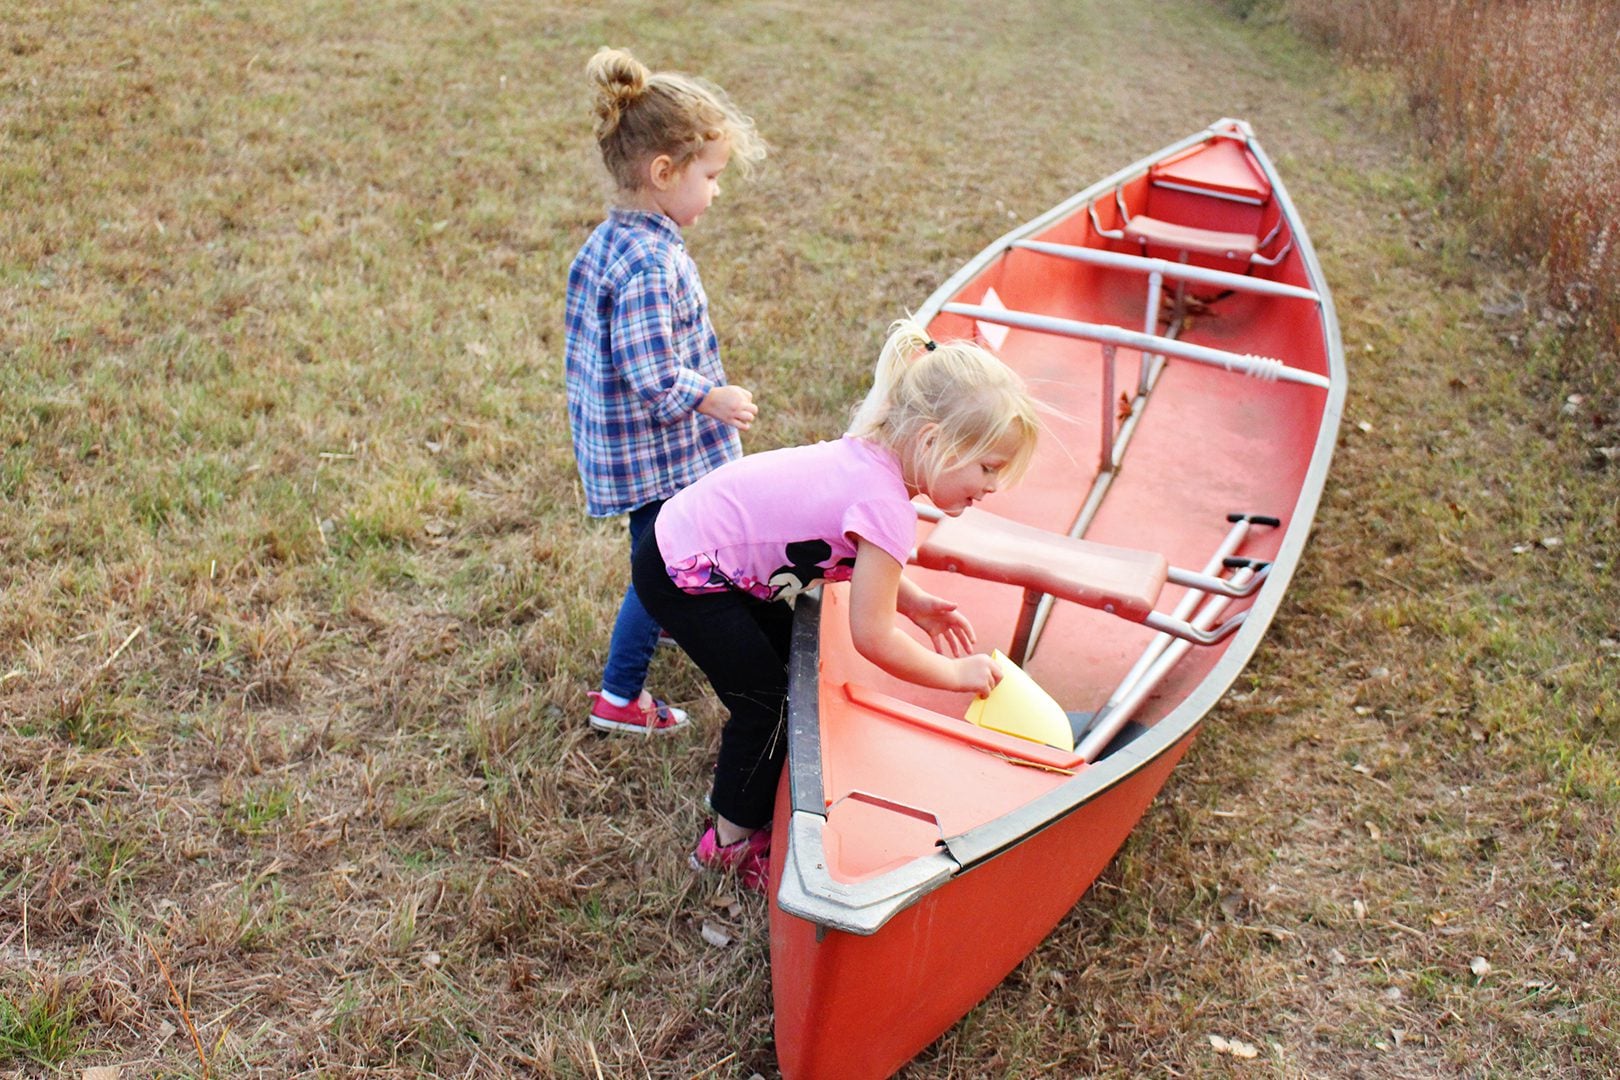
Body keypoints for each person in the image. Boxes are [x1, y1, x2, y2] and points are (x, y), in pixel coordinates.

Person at [632, 320, 1041, 889]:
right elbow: (871, 637)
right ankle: (727, 844)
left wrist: (915, 602)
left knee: (779, 674)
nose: (993, 485)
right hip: (685, 572)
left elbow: (858, 560)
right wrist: (954, 675)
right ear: (931, 441)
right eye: (987, 467)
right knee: (767, 704)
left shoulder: (874, 462)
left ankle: (750, 792)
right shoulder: (888, 506)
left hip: (692, 545)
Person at [564, 47, 767, 735]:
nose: (716, 191)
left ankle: (669, 617)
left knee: (660, 554)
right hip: (660, 452)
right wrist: (712, 397)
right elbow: (652, 373)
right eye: (710, 176)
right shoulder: (652, 261)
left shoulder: (615, 240)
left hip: (631, 444)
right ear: (663, 173)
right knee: (662, 561)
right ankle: (620, 696)